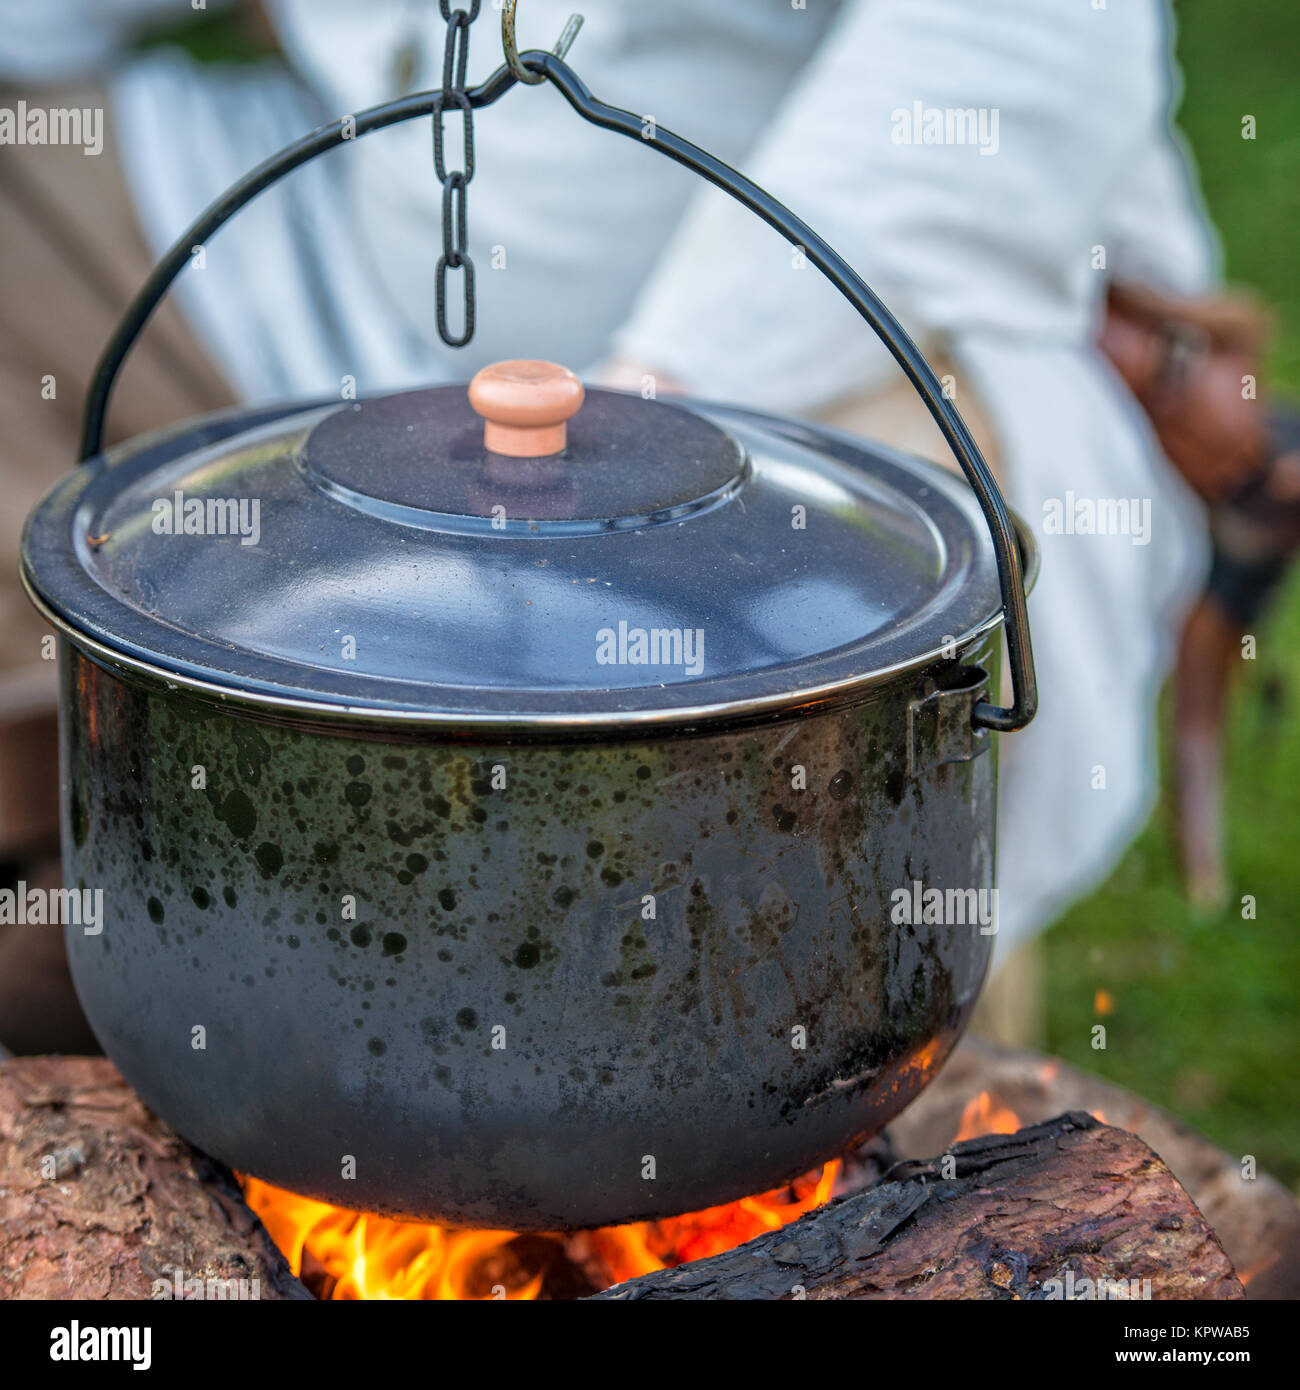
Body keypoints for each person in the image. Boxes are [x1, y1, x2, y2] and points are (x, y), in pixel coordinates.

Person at [0, 0, 1225, 1050]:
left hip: (826, 338)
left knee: (780, 738)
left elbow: (1030, 32)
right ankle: (141, 847)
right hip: (325, 269)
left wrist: (661, 397)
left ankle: (700, 1049)